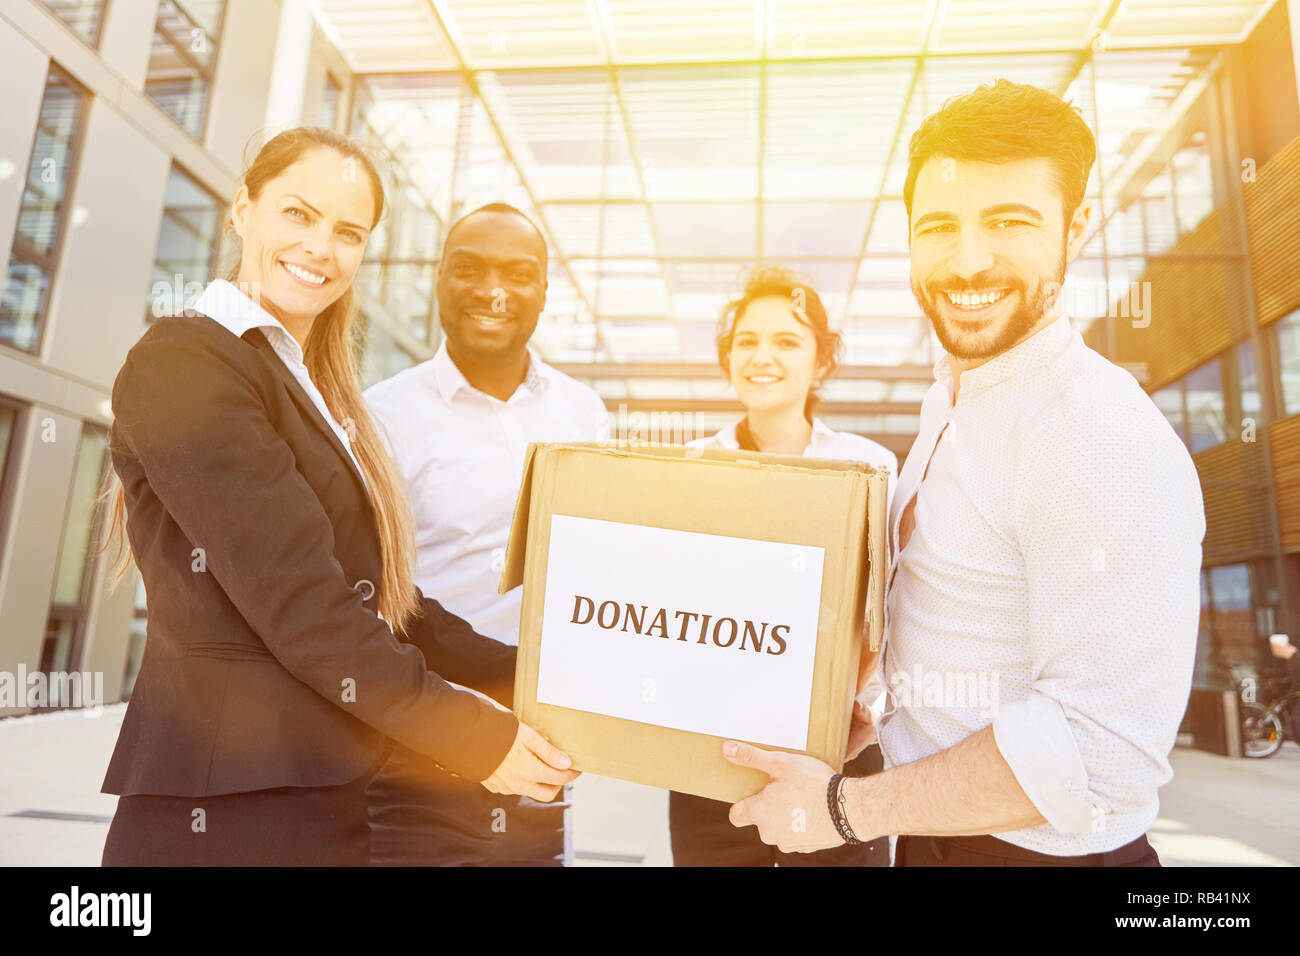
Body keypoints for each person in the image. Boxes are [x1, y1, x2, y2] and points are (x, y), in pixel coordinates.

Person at [723, 80, 1205, 867]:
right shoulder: (950, 402)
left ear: (1075, 228)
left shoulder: (1096, 434)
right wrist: (879, 716)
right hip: (940, 829)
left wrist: (846, 808)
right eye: (940, 226)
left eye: (1009, 222)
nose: (968, 260)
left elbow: (1099, 748)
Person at [97, 128, 577, 866]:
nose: (320, 247)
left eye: (347, 232)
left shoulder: (305, 386)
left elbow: (379, 602)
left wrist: (541, 683)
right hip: (226, 812)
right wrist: (478, 739)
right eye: (298, 214)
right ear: (242, 208)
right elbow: (302, 603)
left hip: (316, 796)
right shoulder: (187, 361)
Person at [362, 203, 608, 866]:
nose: (493, 290)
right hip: (418, 754)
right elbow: (370, 595)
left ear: (544, 292)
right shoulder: (381, 416)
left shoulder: (583, 413)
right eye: (469, 269)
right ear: (440, 279)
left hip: (540, 752)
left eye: (518, 273)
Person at [671, 265, 896, 867]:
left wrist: (865, 709)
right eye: (747, 341)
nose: (761, 356)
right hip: (711, 754)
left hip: (835, 756)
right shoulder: (691, 467)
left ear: (821, 362)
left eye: (787, 341)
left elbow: (889, 609)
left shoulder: (866, 467)